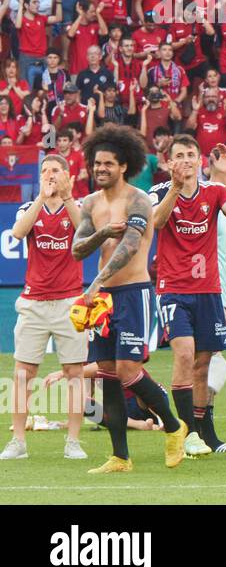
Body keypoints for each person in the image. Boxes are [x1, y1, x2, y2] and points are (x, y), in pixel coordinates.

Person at [71, 124, 187, 473]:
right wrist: (103, 232)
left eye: (107, 164)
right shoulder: (90, 202)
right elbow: (77, 250)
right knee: (106, 373)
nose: (100, 169)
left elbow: (131, 245)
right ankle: (120, 456)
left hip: (134, 293)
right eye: (96, 164)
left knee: (127, 370)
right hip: (103, 297)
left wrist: (97, 281)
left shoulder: (139, 200)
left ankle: (173, 425)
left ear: (124, 166)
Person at [148, 136, 226, 456]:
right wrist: (175, 187)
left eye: (191, 154)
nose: (186, 160)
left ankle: (207, 436)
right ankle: (184, 432)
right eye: (179, 155)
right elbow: (156, 223)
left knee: (203, 365)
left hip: (209, 291)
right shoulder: (160, 192)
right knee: (185, 355)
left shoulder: (215, 191)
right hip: (174, 290)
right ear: (168, 163)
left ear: (200, 159)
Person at [2, 155, 88, 462]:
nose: (49, 175)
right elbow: (17, 233)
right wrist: (41, 196)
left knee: (74, 372)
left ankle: (73, 442)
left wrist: (65, 196)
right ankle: (18, 441)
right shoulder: (30, 208)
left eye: (54, 170)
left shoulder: (77, 207)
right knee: (23, 373)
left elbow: (86, 233)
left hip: (69, 301)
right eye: (44, 171)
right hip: (34, 301)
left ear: (67, 174)